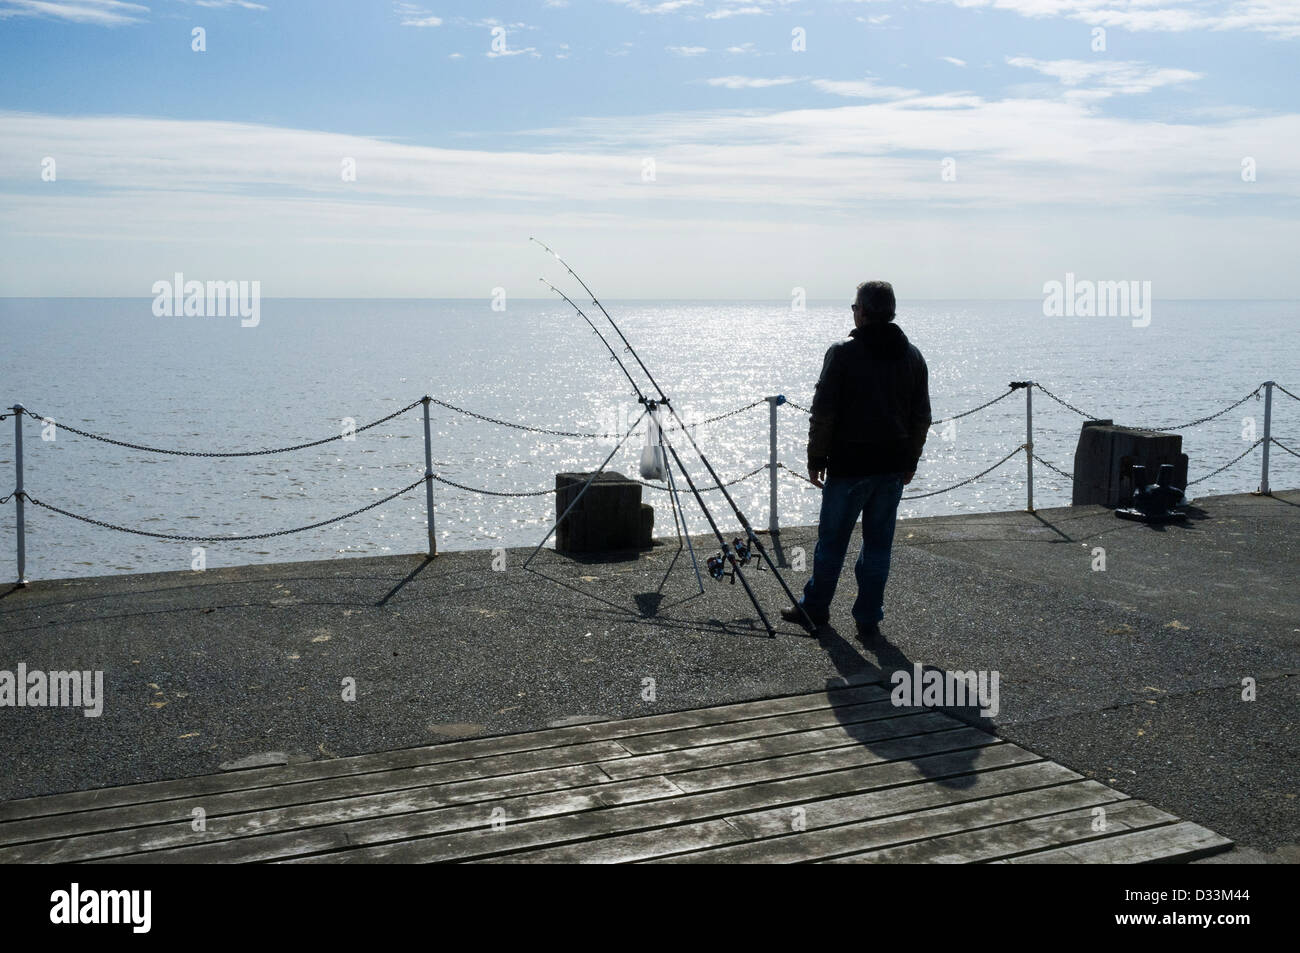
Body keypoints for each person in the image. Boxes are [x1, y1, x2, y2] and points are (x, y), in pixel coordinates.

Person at [782, 281, 931, 638]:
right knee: (878, 546)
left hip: (850, 465)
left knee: (832, 542)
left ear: (862, 311)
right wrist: (911, 459)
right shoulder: (912, 357)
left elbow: (824, 412)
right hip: (892, 466)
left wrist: (816, 456)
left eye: (854, 307)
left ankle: (816, 608)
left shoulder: (843, 353)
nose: (853, 312)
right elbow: (921, 416)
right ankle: (868, 620)